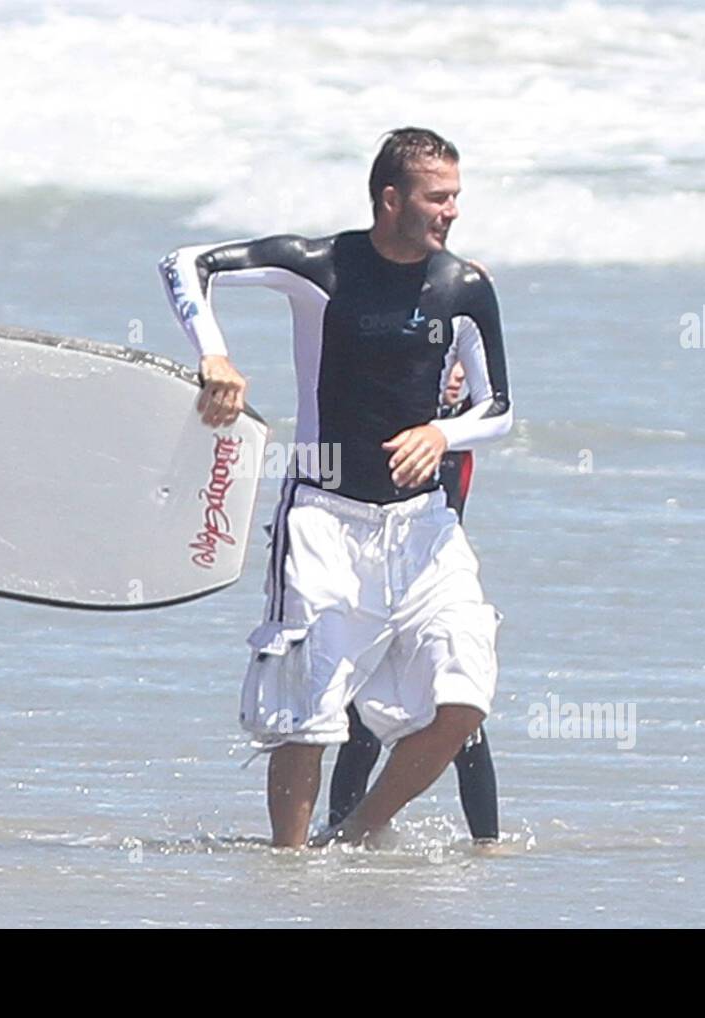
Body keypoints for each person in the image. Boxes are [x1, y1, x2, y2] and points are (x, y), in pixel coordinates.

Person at [159, 127, 513, 847]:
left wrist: (444, 434)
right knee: (307, 717)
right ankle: (289, 871)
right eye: (437, 197)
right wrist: (215, 357)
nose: (450, 211)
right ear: (392, 199)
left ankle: (353, 837)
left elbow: (498, 407)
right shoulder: (320, 266)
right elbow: (184, 263)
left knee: (465, 694)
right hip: (322, 516)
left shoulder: (463, 286)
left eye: (456, 197)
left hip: (423, 528)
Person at [327, 360, 501, 843]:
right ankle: (341, 838)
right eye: (447, 362)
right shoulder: (392, 412)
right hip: (377, 579)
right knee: (360, 726)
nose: (455, 374)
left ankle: (487, 846)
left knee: (465, 722)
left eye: (464, 364)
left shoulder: (463, 426)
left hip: (436, 581)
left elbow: (497, 411)